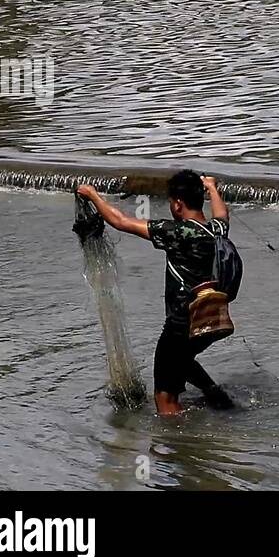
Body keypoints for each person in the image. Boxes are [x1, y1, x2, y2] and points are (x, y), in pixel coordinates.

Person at [76, 170, 235, 415]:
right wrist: (212, 188)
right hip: (211, 320)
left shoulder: (177, 232)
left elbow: (121, 222)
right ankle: (216, 396)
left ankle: (180, 446)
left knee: (164, 397)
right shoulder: (216, 230)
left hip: (182, 325)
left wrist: (92, 195)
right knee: (183, 359)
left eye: (171, 202)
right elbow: (222, 213)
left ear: (178, 204)